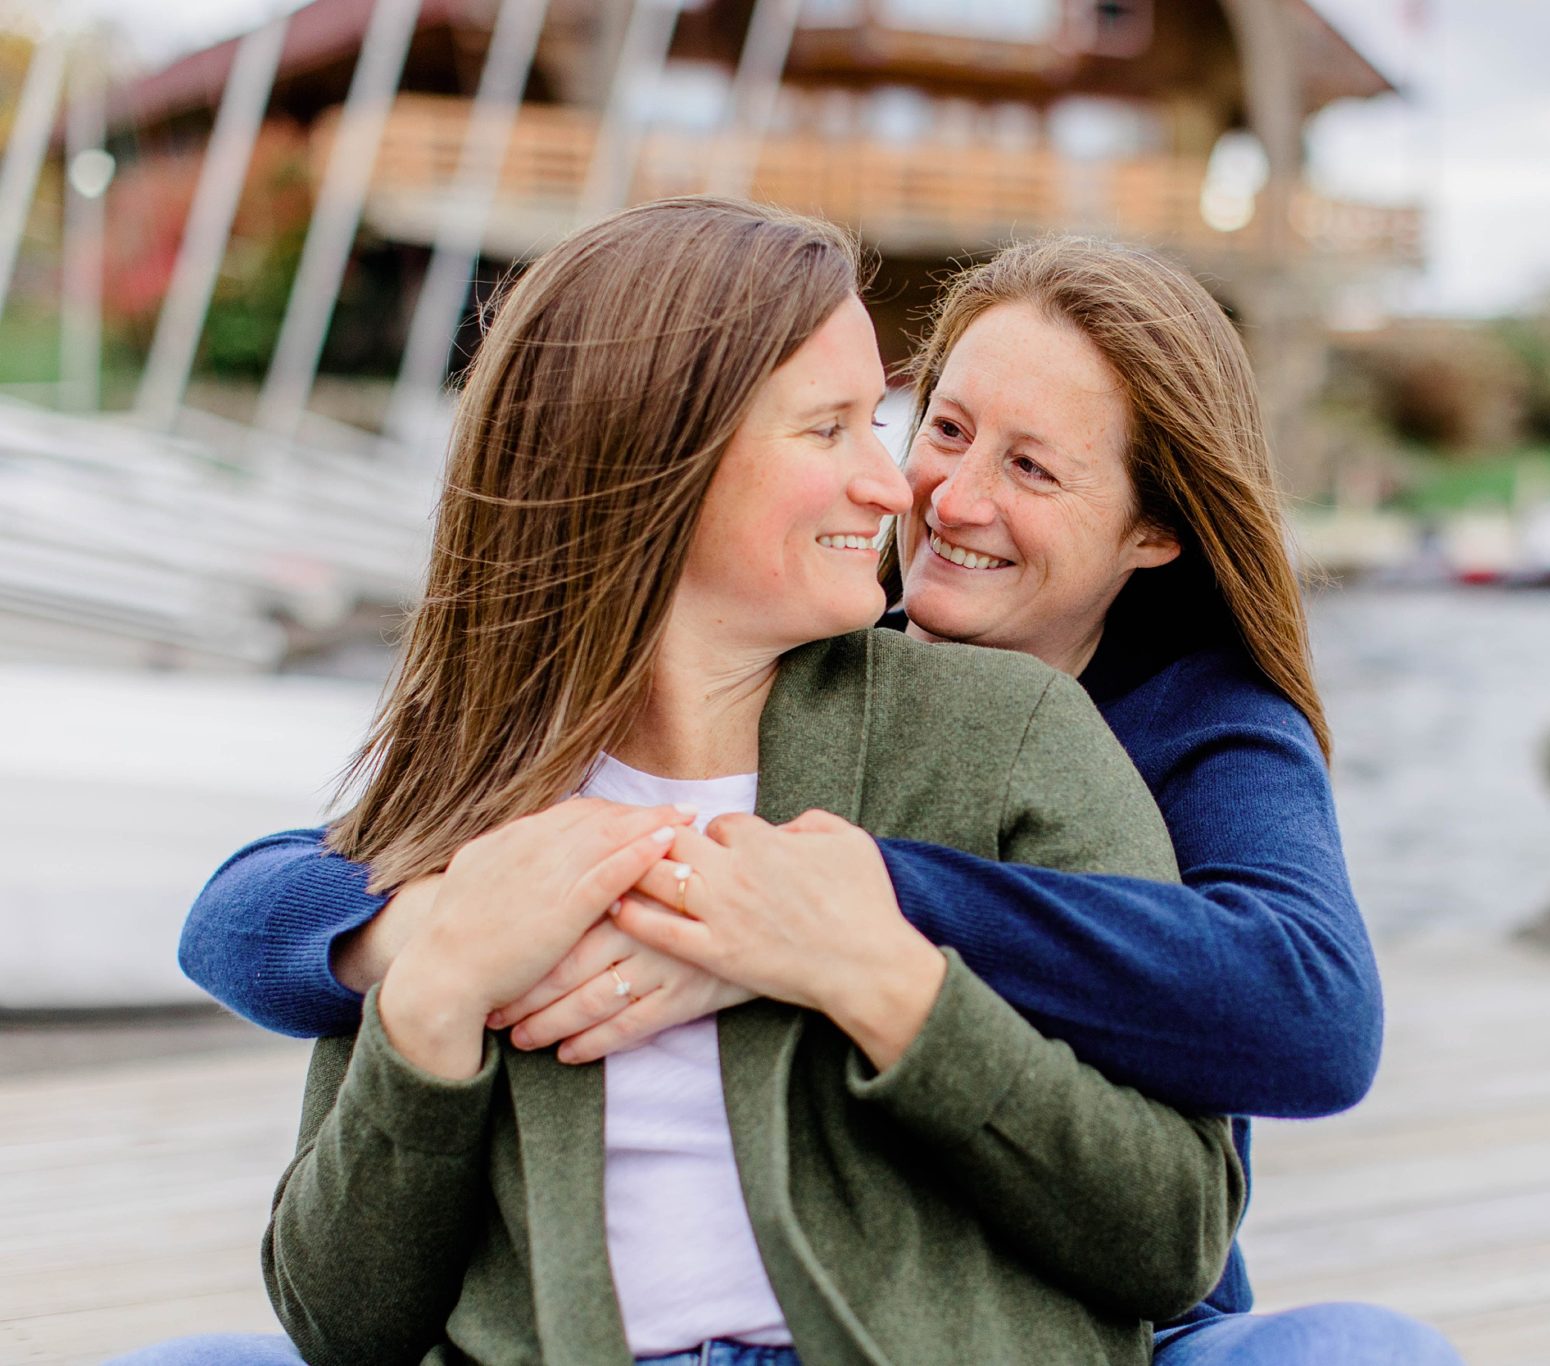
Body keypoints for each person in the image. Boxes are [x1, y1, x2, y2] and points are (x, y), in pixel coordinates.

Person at [177, 236, 1466, 1363]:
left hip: (1088, 1309)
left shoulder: (1192, 726)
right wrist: (446, 936)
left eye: (1036, 470)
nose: (940, 498)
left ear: (1153, 531)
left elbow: (1311, 1016)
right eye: (942, 431)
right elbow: (242, 920)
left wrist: (839, 916)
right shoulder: (785, 642)